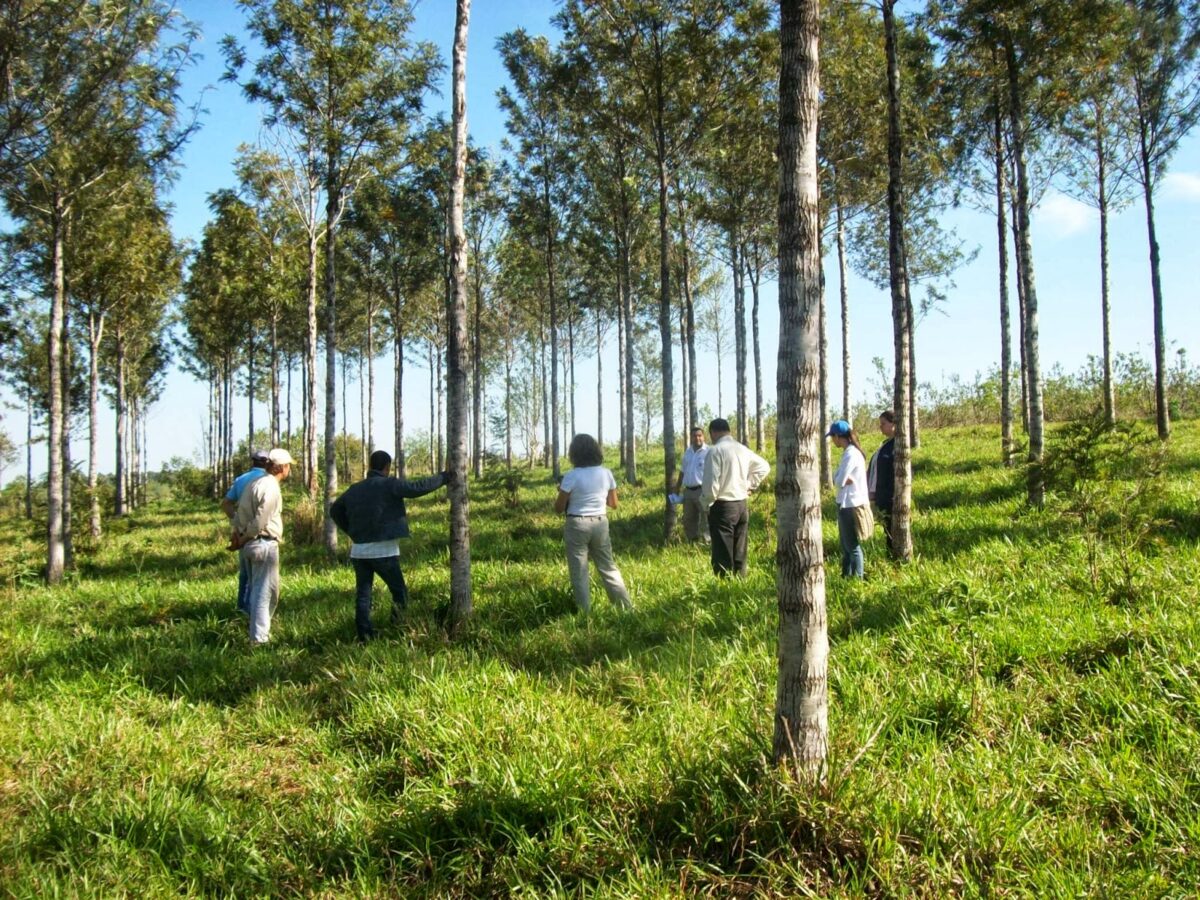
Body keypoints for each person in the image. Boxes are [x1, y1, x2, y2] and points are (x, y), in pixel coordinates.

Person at [329, 450, 449, 642]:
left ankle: (364, 635)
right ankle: (397, 627)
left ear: (370, 466)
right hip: (383, 550)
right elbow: (417, 487)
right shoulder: (389, 484)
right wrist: (443, 477)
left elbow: (335, 510)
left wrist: (351, 531)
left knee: (363, 595)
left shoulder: (355, 488)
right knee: (399, 592)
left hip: (359, 552)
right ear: (387, 467)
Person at [554, 434, 633, 613]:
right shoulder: (606, 473)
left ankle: (585, 614)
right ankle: (625, 608)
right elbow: (613, 504)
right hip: (600, 523)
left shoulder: (571, 476)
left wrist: (565, 493)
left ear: (574, 453)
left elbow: (559, 508)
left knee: (579, 572)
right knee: (608, 567)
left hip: (577, 524)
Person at [231, 448, 295, 645]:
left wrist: (238, 534)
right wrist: (242, 538)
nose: (289, 470)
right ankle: (259, 640)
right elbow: (260, 521)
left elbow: (239, 512)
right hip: (262, 543)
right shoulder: (270, 487)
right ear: (282, 468)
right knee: (263, 594)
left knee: (270, 592)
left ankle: (260, 632)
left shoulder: (254, 483)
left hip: (252, 544)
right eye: (288, 466)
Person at [701, 417, 770, 577]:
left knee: (722, 552)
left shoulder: (715, 451)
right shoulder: (741, 448)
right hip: (741, 505)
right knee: (740, 550)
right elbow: (764, 467)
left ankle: (724, 589)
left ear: (713, 432)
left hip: (723, 505)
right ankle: (740, 583)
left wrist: (707, 504)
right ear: (728, 431)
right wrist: (749, 485)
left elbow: (711, 485)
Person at [221, 449, 270, 614]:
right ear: (267, 463)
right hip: (263, 532)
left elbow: (226, 503)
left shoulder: (241, 479)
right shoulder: (267, 481)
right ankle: (256, 613)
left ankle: (242, 608)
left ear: (253, 461)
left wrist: (236, 520)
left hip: (242, 532)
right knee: (262, 577)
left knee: (245, 573)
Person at [829, 419, 869, 578]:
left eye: (833, 437)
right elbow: (837, 477)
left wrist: (840, 478)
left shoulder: (851, 454)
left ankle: (857, 579)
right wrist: (840, 477)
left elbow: (838, 480)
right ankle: (846, 576)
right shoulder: (848, 453)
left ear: (838, 436)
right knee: (846, 546)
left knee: (852, 546)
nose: (832, 441)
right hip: (845, 502)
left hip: (849, 504)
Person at [674, 426, 711, 544]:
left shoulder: (709, 452)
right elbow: (682, 471)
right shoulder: (688, 452)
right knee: (688, 518)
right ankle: (692, 542)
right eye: (694, 436)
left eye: (699, 435)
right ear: (691, 438)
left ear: (703, 437)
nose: (697, 438)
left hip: (702, 490)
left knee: (705, 518)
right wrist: (677, 487)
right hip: (688, 491)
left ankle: (707, 542)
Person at [867, 410, 896, 557]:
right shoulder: (885, 445)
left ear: (894, 424)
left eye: (883, 424)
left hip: (890, 496)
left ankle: (895, 558)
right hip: (881, 496)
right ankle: (891, 557)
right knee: (887, 530)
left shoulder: (897, 446)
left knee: (892, 530)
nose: (881, 427)